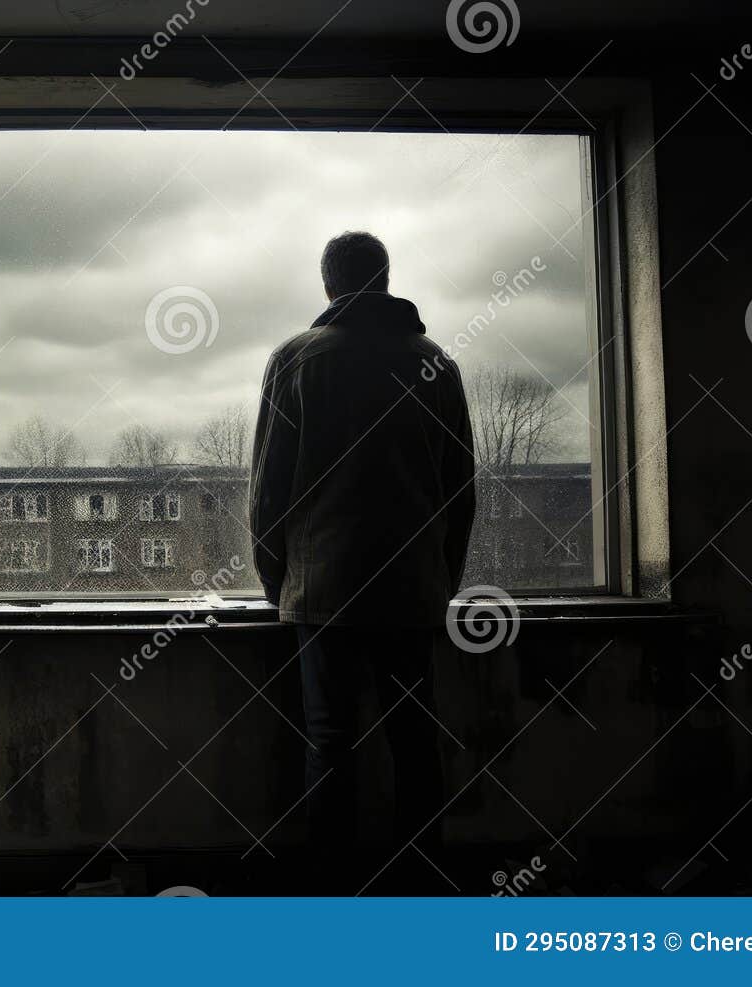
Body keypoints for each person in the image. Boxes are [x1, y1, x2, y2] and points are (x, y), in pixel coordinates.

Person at [249, 231, 475, 892]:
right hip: (411, 586)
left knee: (330, 743)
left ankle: (332, 893)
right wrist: (442, 578)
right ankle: (422, 888)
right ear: (385, 279)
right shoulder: (436, 365)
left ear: (329, 284)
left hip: (324, 589)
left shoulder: (296, 360)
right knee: (414, 741)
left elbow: (269, 490)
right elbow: (459, 489)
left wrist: (279, 582)